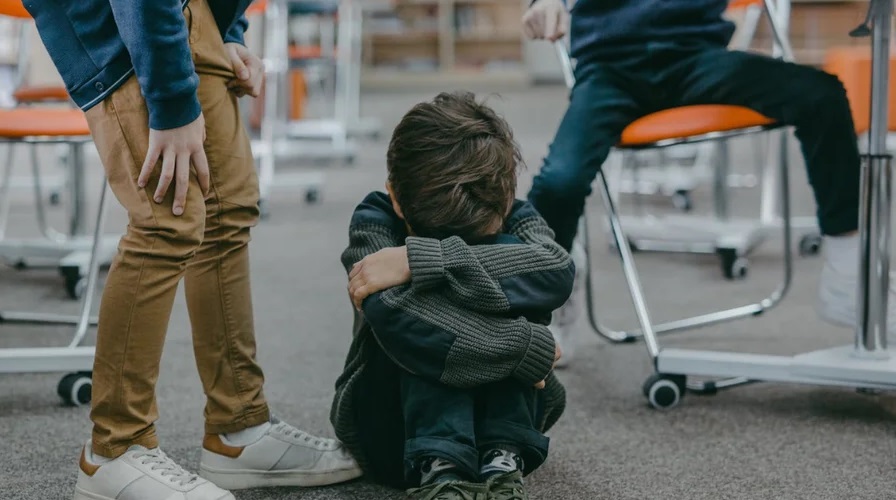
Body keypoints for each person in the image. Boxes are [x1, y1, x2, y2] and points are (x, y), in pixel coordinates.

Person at [24, 1, 361, 499]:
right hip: (124, 23)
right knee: (166, 220)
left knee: (227, 210)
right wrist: (172, 103)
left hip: (190, 15)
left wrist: (228, 31)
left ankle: (238, 429)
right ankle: (114, 450)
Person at [522, 0, 884, 365]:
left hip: (696, 58)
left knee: (821, 96)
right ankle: (555, 285)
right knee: (558, 182)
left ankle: (847, 274)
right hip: (609, 68)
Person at [333, 91, 575, 499]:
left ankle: (501, 461)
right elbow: (395, 313)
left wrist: (424, 257)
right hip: (394, 436)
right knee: (419, 323)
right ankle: (442, 469)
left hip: (512, 434)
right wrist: (525, 345)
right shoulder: (375, 220)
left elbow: (556, 270)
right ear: (394, 196)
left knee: (509, 276)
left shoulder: (514, 211)